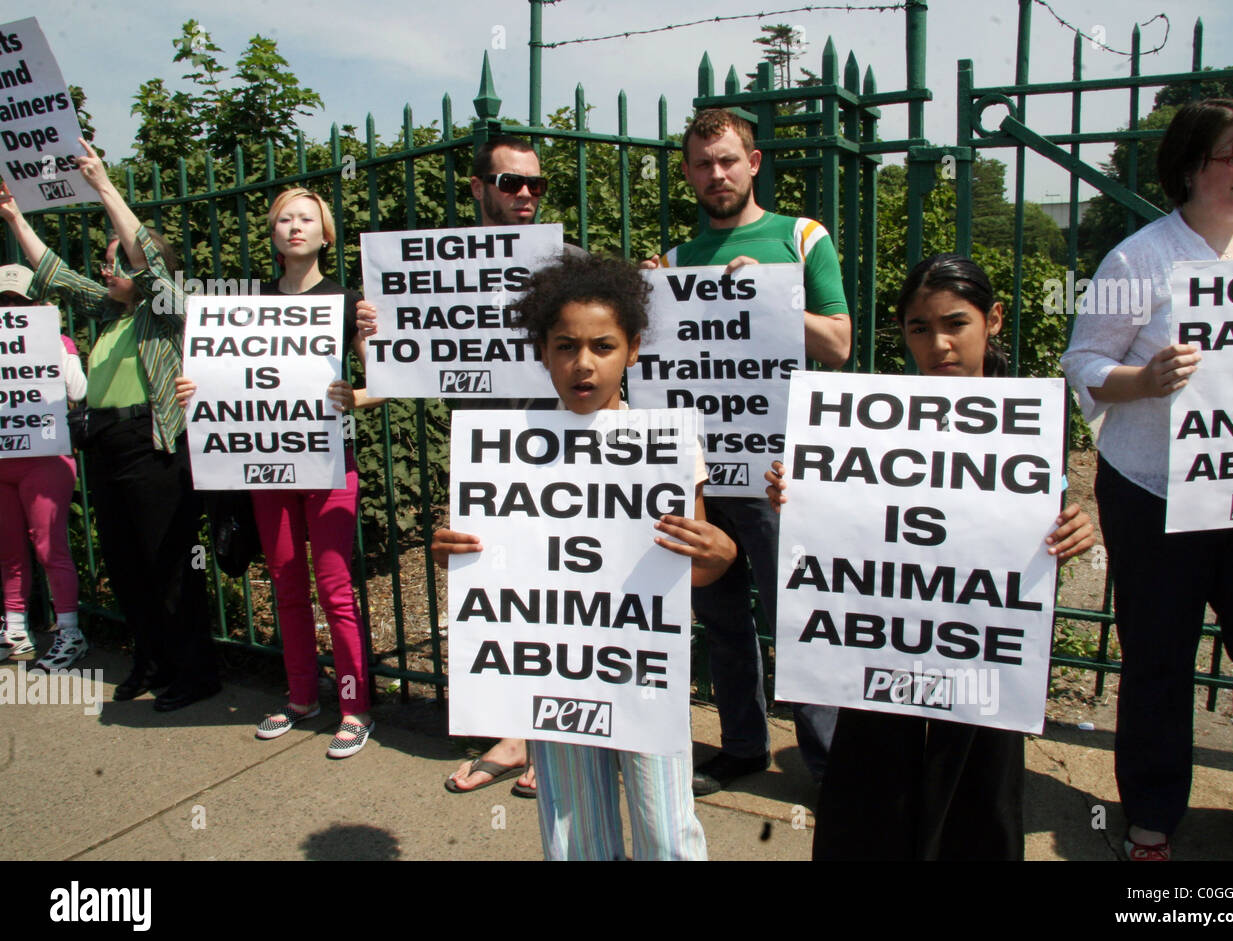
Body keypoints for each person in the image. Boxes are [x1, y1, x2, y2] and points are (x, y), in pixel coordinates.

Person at [766, 253, 1094, 859]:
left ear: (993, 320)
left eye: (955, 323)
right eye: (920, 328)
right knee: (869, 784)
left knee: (978, 790)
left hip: (977, 652)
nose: (938, 343)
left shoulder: (1027, 420)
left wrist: (1073, 529)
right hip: (880, 647)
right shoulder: (864, 422)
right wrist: (804, 499)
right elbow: (843, 529)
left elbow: (1033, 533)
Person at [432, 252, 737, 859]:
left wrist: (721, 553)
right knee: (574, 830)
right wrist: (454, 554)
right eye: (566, 345)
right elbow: (492, 565)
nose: (583, 363)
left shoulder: (668, 448)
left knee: (665, 828)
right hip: (557, 675)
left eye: (603, 345)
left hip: (641, 673)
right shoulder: (506, 451)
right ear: (542, 350)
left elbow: (696, 566)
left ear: (634, 349)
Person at [1061, 98, 1233, 862]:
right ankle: (1153, 810)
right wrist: (1146, 378)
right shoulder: (1139, 260)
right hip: (1154, 491)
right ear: (1190, 167)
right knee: (1158, 655)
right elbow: (1084, 363)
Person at [642, 108, 849, 795]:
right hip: (699, 469)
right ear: (688, 173)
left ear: (754, 162)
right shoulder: (671, 260)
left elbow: (840, 343)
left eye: (728, 160)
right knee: (720, 616)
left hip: (778, 469)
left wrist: (766, 294)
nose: (717, 174)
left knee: (799, 613)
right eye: (703, 164)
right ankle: (742, 746)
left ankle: (830, 766)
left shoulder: (800, 236)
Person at [0, 143, 219, 712]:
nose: (110, 268)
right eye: (107, 259)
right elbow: (56, 276)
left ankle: (194, 672)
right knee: (125, 562)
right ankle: (151, 662)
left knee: (167, 564)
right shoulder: (111, 313)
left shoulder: (166, 307)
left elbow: (146, 255)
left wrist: (103, 185)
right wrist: (15, 217)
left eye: (118, 260)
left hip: (154, 446)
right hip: (105, 444)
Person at [177, 187, 382, 759]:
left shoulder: (346, 303)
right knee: (286, 583)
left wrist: (356, 394)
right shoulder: (248, 305)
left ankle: (354, 705)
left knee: (335, 587)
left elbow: (387, 383)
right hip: (268, 466)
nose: (295, 227)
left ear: (326, 234)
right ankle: (300, 698)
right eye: (284, 219)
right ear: (272, 233)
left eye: (307, 219)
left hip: (328, 462)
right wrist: (197, 391)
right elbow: (228, 383)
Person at [444, 134, 578, 796]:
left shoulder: (571, 264)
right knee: (497, 592)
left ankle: (545, 735)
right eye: (509, 182)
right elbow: (408, 365)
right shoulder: (438, 269)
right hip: (483, 450)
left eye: (536, 185)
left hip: (564, 452)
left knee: (558, 590)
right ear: (478, 188)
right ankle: (512, 730)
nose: (525, 194)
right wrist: (374, 332)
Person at [0, 264, 87, 668]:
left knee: (51, 548)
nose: (11, 309)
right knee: (9, 551)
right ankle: (15, 629)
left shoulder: (59, 341)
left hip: (46, 460)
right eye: (3, 301)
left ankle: (69, 633)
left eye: (20, 302)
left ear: (38, 306)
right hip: (5, 461)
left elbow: (79, 390)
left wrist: (49, 341)